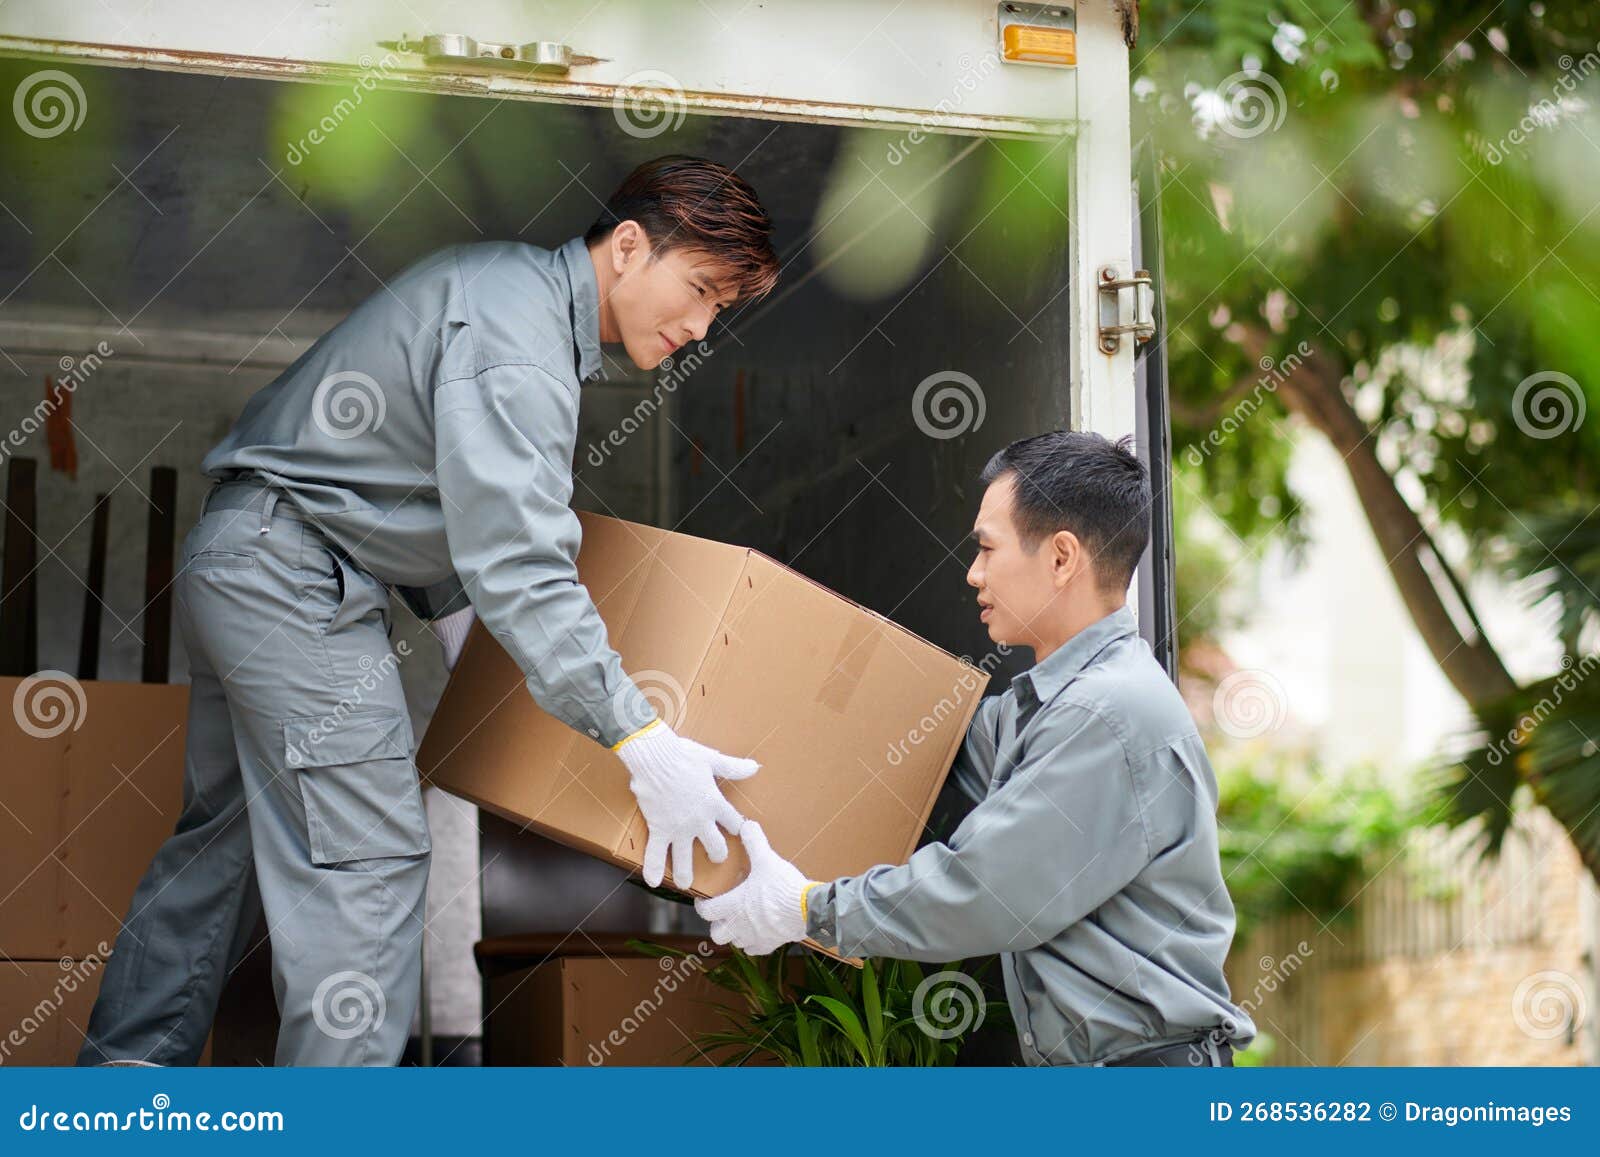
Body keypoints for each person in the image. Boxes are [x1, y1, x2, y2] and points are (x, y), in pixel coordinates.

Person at [80, 155, 780, 1067]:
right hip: (290, 575)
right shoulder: (520, 336)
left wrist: (494, 675)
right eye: (696, 291)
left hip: (247, 561)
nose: (698, 326)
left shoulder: (506, 300)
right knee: (370, 864)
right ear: (629, 245)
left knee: (218, 854)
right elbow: (519, 559)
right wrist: (637, 735)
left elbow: (434, 523)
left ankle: (116, 1106)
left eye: (720, 310)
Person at [696, 431, 1256, 1066]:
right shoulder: (1046, 705)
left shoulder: (1105, 715)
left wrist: (806, 909)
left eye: (988, 549)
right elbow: (922, 757)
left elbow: (984, 892)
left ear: (1062, 557)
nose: (973, 573)